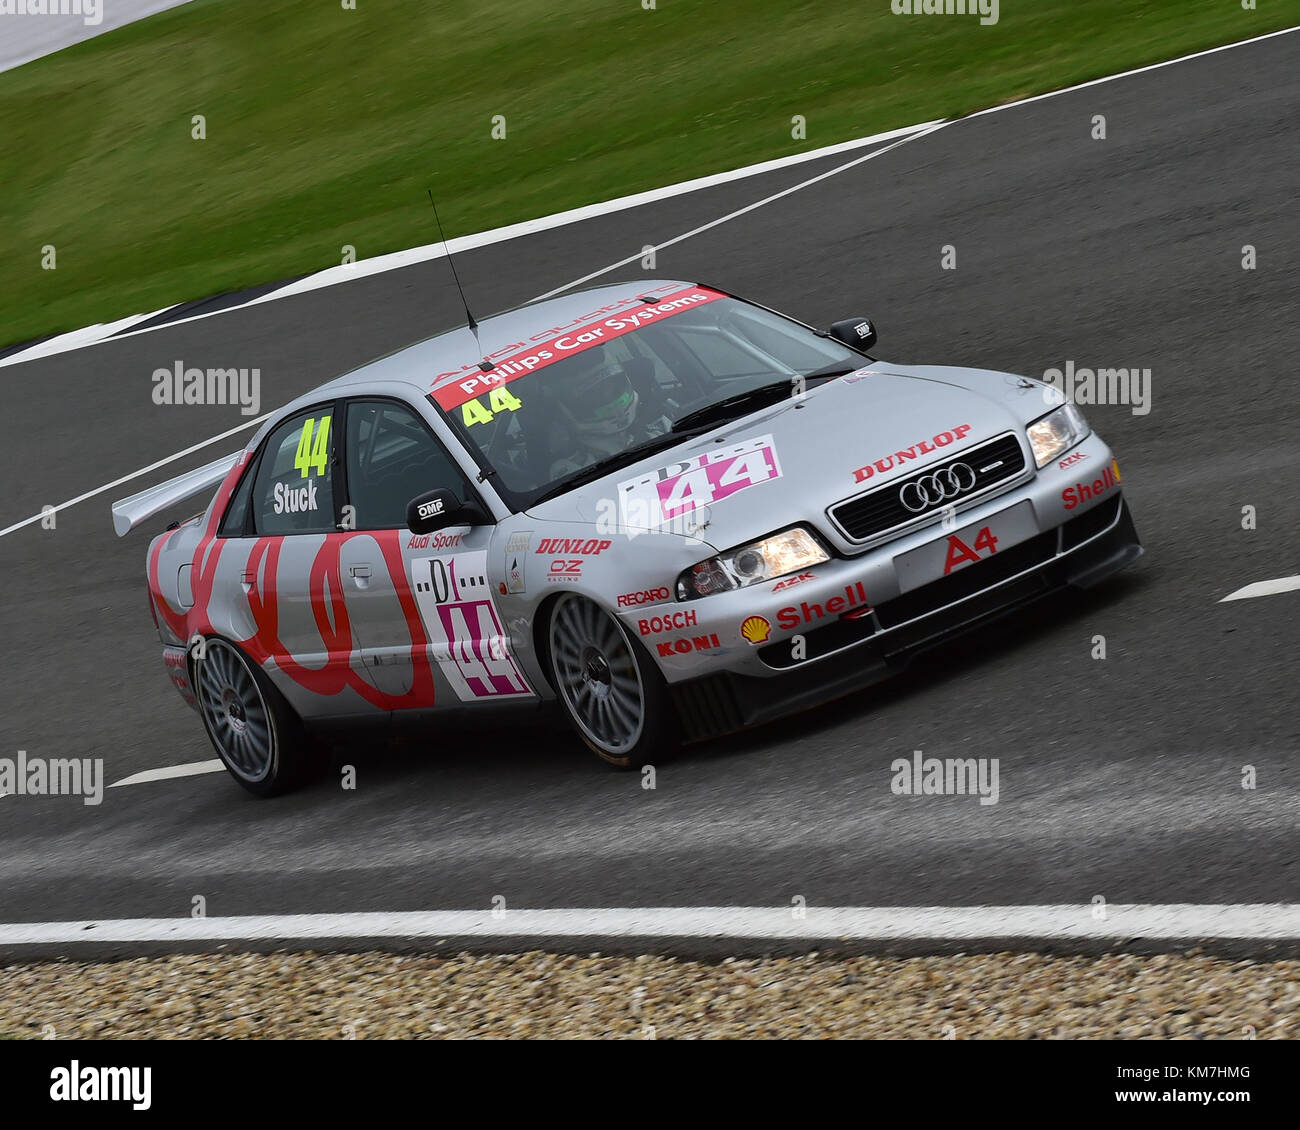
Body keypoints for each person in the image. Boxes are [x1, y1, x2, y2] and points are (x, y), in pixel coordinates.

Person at [546, 346, 672, 479]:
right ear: (568, 408)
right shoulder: (571, 470)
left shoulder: (663, 424)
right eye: (595, 396)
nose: (608, 396)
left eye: (613, 386)